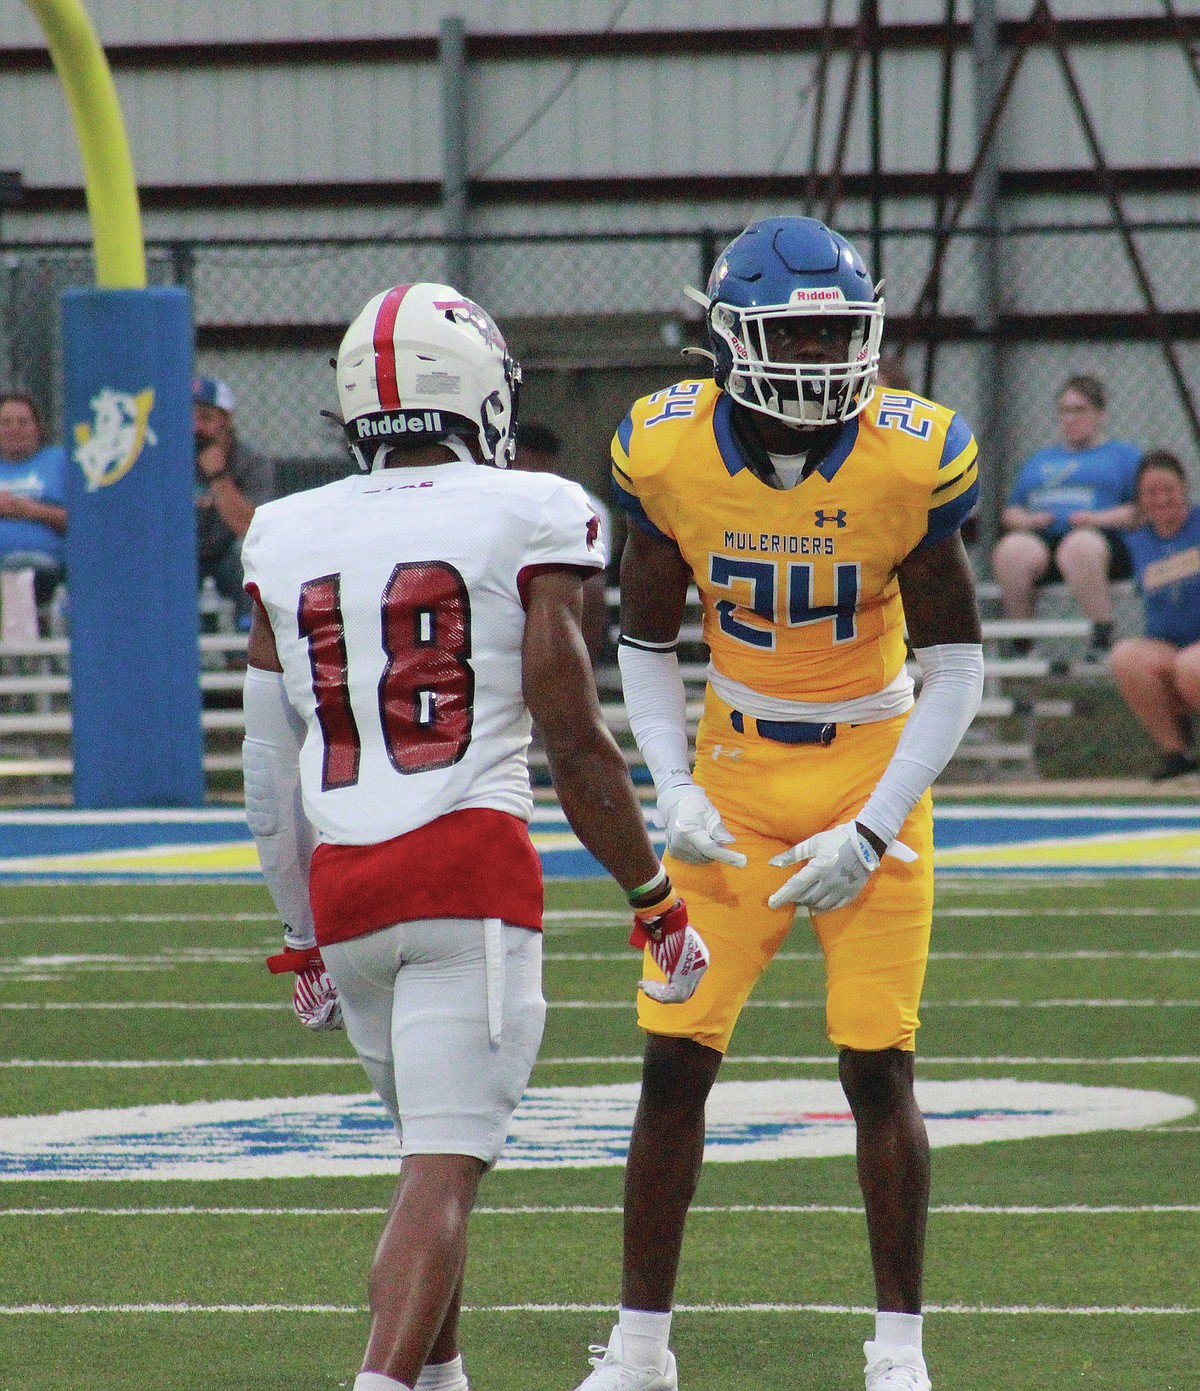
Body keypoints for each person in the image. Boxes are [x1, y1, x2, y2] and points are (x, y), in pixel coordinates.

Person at [239, 282, 709, 1391]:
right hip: (466, 869)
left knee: (424, 1169)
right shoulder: (532, 508)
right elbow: (572, 730)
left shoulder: (285, 529)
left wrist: (299, 930)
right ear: (482, 394)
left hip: (346, 884)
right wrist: (654, 895)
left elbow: (269, 776)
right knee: (443, 1169)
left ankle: (442, 1378)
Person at [571, 217, 984, 1391]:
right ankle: (642, 1344)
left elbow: (956, 668)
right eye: (796, 330)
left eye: (837, 330)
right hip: (737, 775)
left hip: (874, 770)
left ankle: (898, 1350)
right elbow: (644, 638)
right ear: (733, 339)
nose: (820, 354)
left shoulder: (909, 455)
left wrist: (870, 826)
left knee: (877, 1067)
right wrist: (674, 787)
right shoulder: (667, 449)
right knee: (672, 1061)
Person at [990, 374, 1140, 657]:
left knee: (1079, 546)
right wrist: (1029, 522)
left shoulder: (1122, 456)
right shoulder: (1040, 461)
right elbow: (1012, 512)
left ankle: (1102, 637)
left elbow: (1140, 511)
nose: (1070, 418)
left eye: (1079, 410)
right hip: (1045, 541)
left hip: (1101, 545)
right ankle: (1022, 644)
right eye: (1064, 411)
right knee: (1012, 550)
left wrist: (1096, 520)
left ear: (1100, 414)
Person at [1109, 450, 1200, 781]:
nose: (1161, 499)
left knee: (1191, 665)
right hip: (1169, 645)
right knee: (1126, 657)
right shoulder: (1137, 542)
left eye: (1169, 490)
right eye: (1151, 492)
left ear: (1184, 489)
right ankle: (1177, 752)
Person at [512, 420, 613, 664]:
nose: (529, 468)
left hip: (557, 601)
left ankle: (583, 668)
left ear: (551, 463)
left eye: (537, 461)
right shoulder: (496, 500)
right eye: (523, 460)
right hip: (507, 592)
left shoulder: (583, 504)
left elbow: (594, 578)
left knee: (589, 588)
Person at [193, 375, 273, 628]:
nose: (195, 428)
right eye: (187, 417)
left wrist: (217, 476)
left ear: (226, 421)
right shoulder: (166, 462)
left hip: (227, 555)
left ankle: (244, 643)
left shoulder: (251, 462)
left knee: (247, 552)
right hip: (183, 557)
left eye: (205, 418)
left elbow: (251, 529)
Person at [0, 390, 68, 634]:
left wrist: (30, 510)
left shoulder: (59, 461)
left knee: (24, 575)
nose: (14, 429)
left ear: (37, 427)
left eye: (23, 422)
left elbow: (82, 522)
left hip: (48, 567)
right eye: (5, 422)